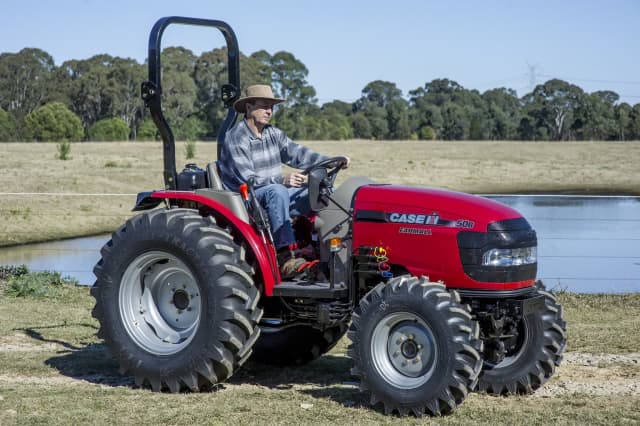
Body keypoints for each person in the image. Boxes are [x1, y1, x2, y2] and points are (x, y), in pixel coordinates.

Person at [218, 84, 350, 279]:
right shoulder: (236, 138)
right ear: (248, 107)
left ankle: (329, 248)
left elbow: (299, 154)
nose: (269, 111)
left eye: (272, 107)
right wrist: (283, 180)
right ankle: (285, 255)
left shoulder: (273, 134)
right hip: (246, 198)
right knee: (277, 191)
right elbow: (248, 179)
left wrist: (332, 160)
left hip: (272, 195)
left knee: (320, 191)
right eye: (264, 106)